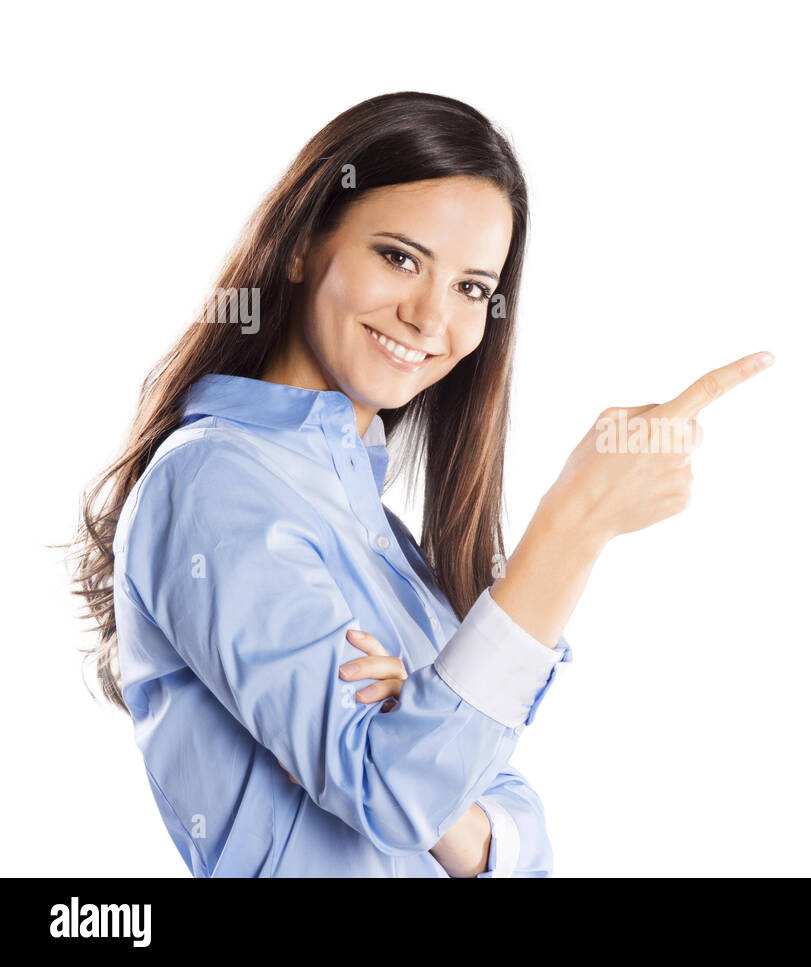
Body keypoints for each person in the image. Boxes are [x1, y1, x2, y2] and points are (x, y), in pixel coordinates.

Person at [68, 91, 773, 877]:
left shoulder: (383, 535)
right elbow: (392, 787)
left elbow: (516, 826)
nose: (430, 316)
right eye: (399, 257)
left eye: (472, 287)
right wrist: (576, 522)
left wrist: (433, 758)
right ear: (304, 247)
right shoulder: (213, 482)